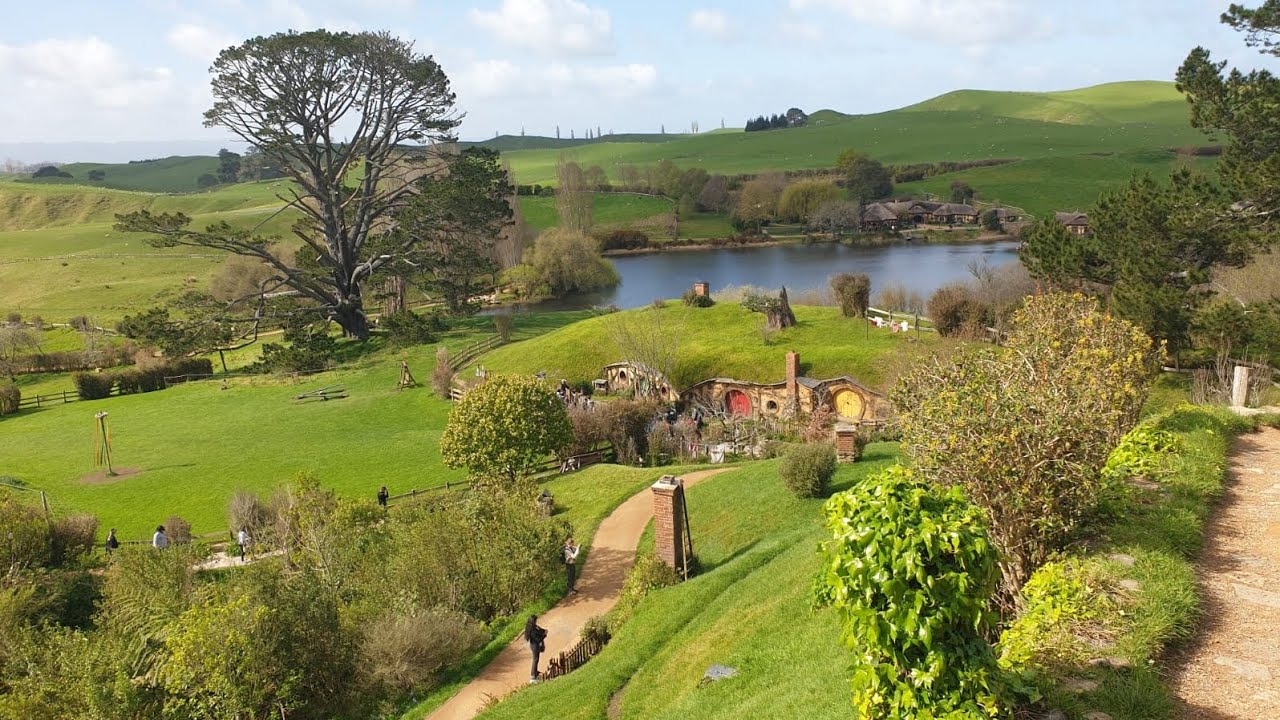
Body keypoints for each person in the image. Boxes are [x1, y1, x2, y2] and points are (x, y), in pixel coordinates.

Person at [525, 614, 547, 683]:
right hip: (535, 646)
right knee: (535, 660)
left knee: (536, 659)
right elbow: (538, 639)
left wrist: (543, 631)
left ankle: (535, 672)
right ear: (533, 621)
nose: (536, 622)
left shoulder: (531, 627)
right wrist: (544, 635)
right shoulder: (532, 630)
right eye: (535, 621)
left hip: (533, 645)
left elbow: (540, 631)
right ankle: (533, 676)